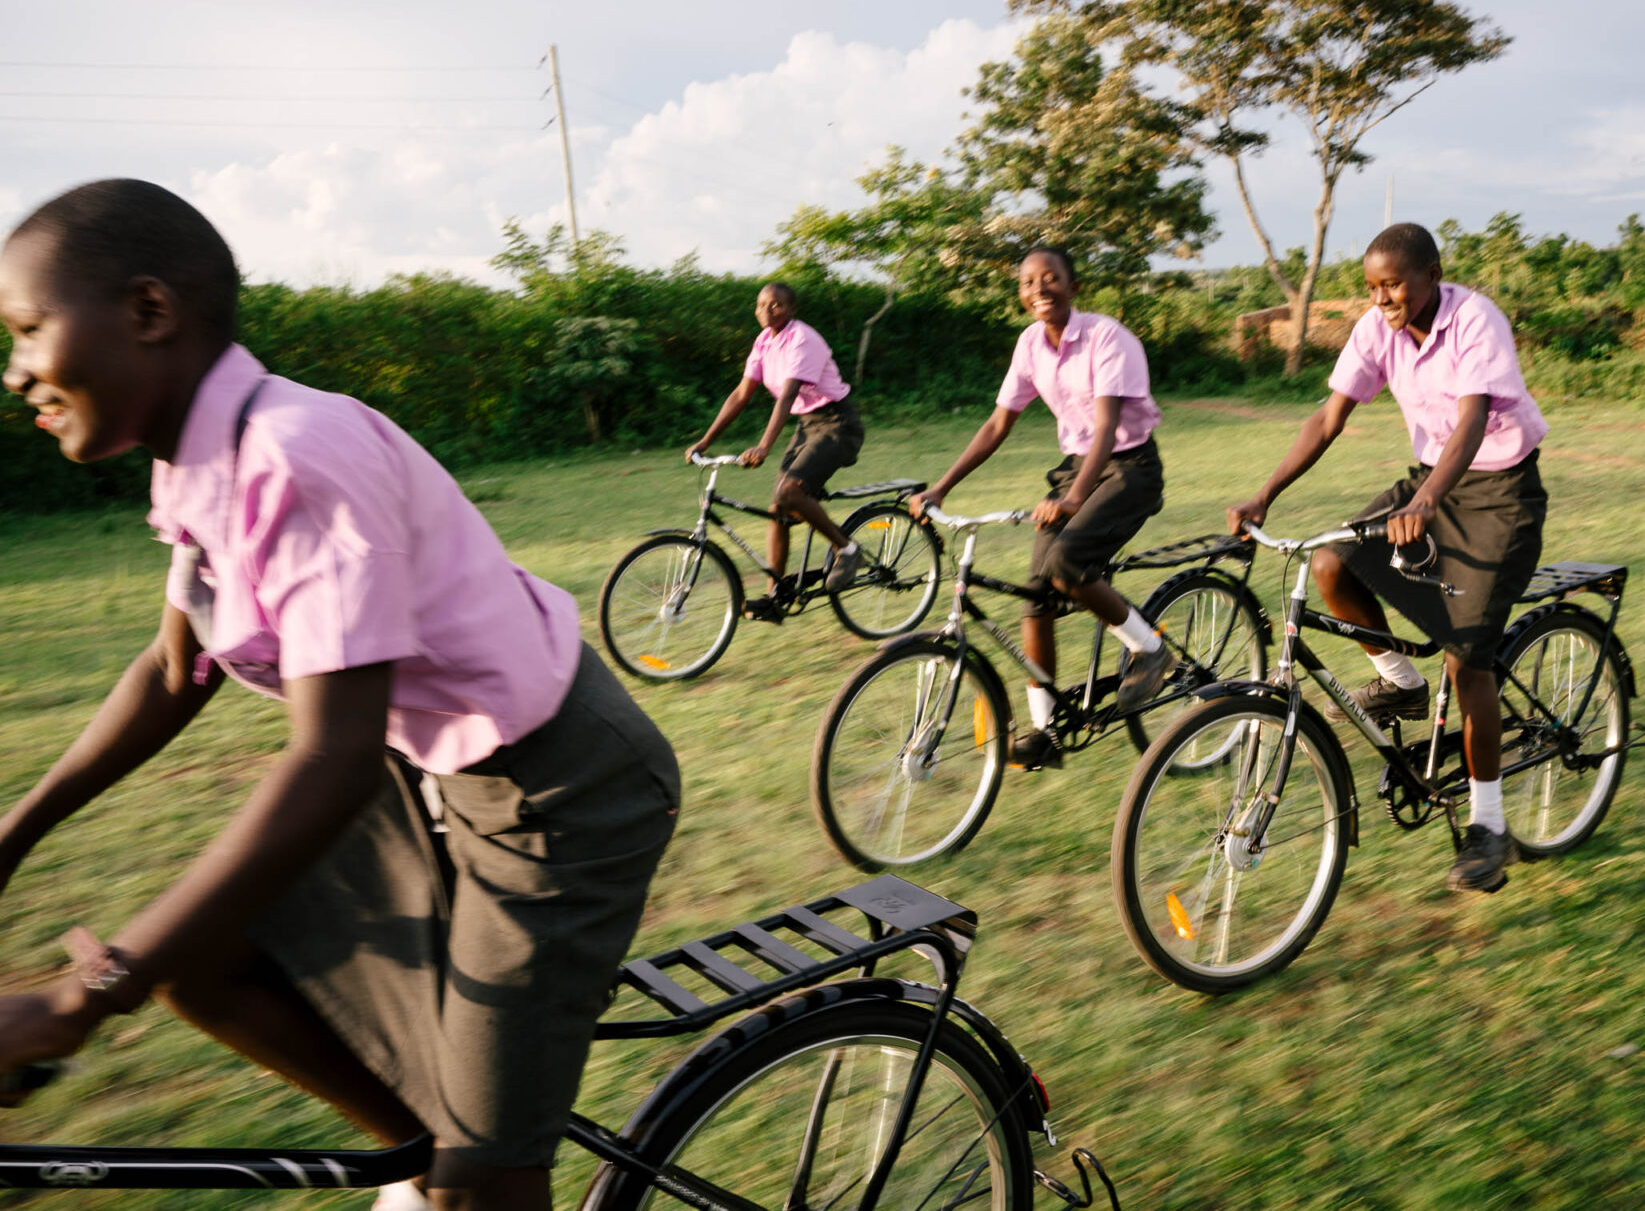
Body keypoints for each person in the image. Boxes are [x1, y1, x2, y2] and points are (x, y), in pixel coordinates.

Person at [0, 180, 679, 1211]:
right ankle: (421, 1159)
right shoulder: (198, 464)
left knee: (487, 1186)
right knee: (206, 959)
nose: (17, 372)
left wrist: (83, 994)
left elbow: (331, 758)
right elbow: (171, 669)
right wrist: (14, 834)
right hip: (436, 774)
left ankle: (460, 1178)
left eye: (29, 330)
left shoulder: (297, 455)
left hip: (559, 795)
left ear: (147, 313)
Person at [1226, 223, 1549, 895]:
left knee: (1467, 657)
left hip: (1497, 495)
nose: (1384, 297)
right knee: (1332, 564)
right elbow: (1328, 417)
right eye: (1373, 286)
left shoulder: (1473, 319)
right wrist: (1264, 494)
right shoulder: (1376, 329)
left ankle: (1488, 827)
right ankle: (1400, 680)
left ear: (1433, 274)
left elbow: (1472, 419)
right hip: (1429, 484)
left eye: (1395, 282)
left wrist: (1429, 500)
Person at [908, 247, 1171, 770]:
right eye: (1029, 282)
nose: (1039, 289)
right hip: (1077, 467)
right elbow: (997, 424)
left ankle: (1151, 649)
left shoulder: (1106, 337)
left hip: (1130, 468)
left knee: (1067, 564)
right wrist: (941, 488)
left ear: (1073, 286)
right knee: (1036, 595)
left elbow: (1105, 427)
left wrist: (1073, 500)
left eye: (1051, 279)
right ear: (1021, 294)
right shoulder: (1030, 344)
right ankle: (1045, 732)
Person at [686, 283, 864, 615]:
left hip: (838, 424)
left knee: (790, 493)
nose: (768, 310)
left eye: (777, 305)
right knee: (778, 510)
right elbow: (741, 394)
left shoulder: (802, 338)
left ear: (792, 309)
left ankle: (849, 549)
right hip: (807, 425)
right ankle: (775, 598)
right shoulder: (764, 342)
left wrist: (765, 446)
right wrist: (706, 439)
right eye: (762, 305)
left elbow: (787, 394)